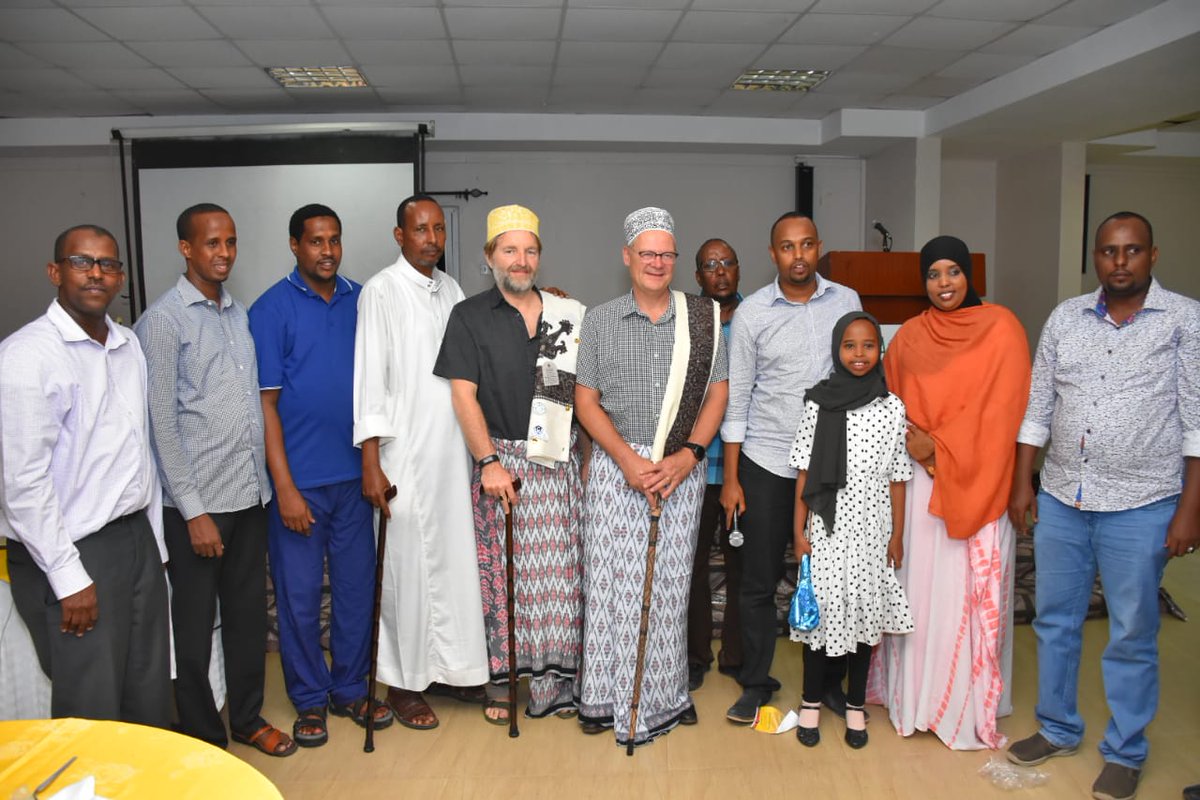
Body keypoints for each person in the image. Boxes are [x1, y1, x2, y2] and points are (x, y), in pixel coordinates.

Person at [1006, 212, 1200, 800]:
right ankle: (1058, 727)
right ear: (1095, 257)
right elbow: (1038, 406)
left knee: (1132, 631)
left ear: (1152, 255)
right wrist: (1023, 483)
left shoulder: (1184, 320)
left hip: (1143, 502)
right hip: (1064, 495)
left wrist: (1190, 509)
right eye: (1109, 251)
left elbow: (1197, 424)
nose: (1120, 261)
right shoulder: (1066, 318)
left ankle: (1125, 751)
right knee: (1054, 619)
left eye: (1132, 250)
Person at [136, 203, 294, 757]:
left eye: (230, 242)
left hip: (248, 497)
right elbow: (160, 424)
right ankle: (204, 735)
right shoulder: (163, 322)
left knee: (249, 620)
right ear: (186, 248)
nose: (224, 253)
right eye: (211, 243)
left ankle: (247, 719)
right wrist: (194, 510)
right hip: (197, 510)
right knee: (194, 627)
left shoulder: (237, 313)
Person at [0, 224, 171, 726]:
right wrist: (68, 578)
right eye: (81, 262)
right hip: (73, 551)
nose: (96, 273)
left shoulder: (128, 345)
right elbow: (21, 484)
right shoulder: (27, 356)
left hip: (134, 539)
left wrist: (156, 550)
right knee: (91, 706)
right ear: (55, 272)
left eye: (108, 264)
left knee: (148, 694)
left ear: (120, 277)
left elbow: (139, 454)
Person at [867, 235, 1030, 750]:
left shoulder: (1001, 328)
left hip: (980, 479)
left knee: (961, 596)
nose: (944, 283)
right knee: (920, 591)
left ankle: (963, 706)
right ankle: (916, 699)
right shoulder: (910, 337)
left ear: (968, 275)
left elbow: (1005, 411)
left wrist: (938, 449)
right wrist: (917, 449)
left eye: (953, 272)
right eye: (934, 274)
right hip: (918, 485)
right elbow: (889, 404)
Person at [574, 207, 728, 747]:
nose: (657, 263)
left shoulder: (702, 319)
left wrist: (689, 456)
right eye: (647, 253)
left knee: (666, 587)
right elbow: (586, 401)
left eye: (666, 254)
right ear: (627, 257)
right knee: (608, 584)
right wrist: (624, 459)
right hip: (616, 469)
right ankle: (602, 697)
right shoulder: (600, 320)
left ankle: (664, 697)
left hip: (677, 469)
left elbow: (718, 394)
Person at [434, 204, 587, 724]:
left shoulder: (567, 313)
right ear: (489, 256)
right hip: (504, 467)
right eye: (509, 250)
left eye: (530, 250)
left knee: (560, 581)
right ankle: (503, 682)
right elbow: (463, 396)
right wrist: (488, 462)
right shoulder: (469, 316)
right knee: (503, 581)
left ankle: (556, 681)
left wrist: (586, 460)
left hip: (557, 464)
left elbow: (584, 395)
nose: (520, 260)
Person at [248, 204, 393, 747]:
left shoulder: (363, 299)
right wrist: (284, 488)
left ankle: (351, 689)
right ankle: (309, 698)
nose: (327, 251)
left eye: (334, 240)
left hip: (356, 478)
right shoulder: (271, 308)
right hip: (300, 485)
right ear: (295, 245)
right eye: (315, 241)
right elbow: (266, 406)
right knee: (300, 598)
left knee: (356, 592)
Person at [353, 194, 489, 730]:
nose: (431, 239)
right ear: (399, 235)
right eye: (420, 230)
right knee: (406, 571)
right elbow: (370, 378)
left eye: (438, 230)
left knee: (455, 567)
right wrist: (371, 462)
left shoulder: (451, 290)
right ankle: (403, 683)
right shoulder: (381, 291)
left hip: (450, 454)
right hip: (402, 457)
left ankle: (452, 670)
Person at [721, 213, 862, 724]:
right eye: (787, 246)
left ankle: (826, 685)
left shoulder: (846, 300)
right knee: (758, 581)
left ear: (818, 247)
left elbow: (860, 374)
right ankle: (756, 683)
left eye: (806, 245)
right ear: (772, 252)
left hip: (831, 465)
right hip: (766, 461)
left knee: (829, 579)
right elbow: (738, 399)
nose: (798, 255)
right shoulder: (753, 313)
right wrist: (731, 478)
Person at [788, 311, 914, 749]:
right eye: (849, 345)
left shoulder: (892, 406)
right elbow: (804, 471)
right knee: (820, 614)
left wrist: (896, 535)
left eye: (868, 345)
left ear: (880, 350)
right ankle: (810, 702)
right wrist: (798, 531)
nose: (859, 354)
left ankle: (856, 705)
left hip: (872, 528)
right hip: (826, 527)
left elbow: (898, 477)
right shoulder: (818, 403)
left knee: (864, 613)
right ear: (837, 350)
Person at [685, 238, 743, 690]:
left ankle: (738, 657)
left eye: (727, 263)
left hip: (746, 466)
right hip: (697, 465)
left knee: (746, 566)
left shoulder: (757, 316)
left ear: (738, 269)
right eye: (710, 265)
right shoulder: (686, 318)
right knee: (694, 564)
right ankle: (695, 656)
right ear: (698, 275)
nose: (720, 272)